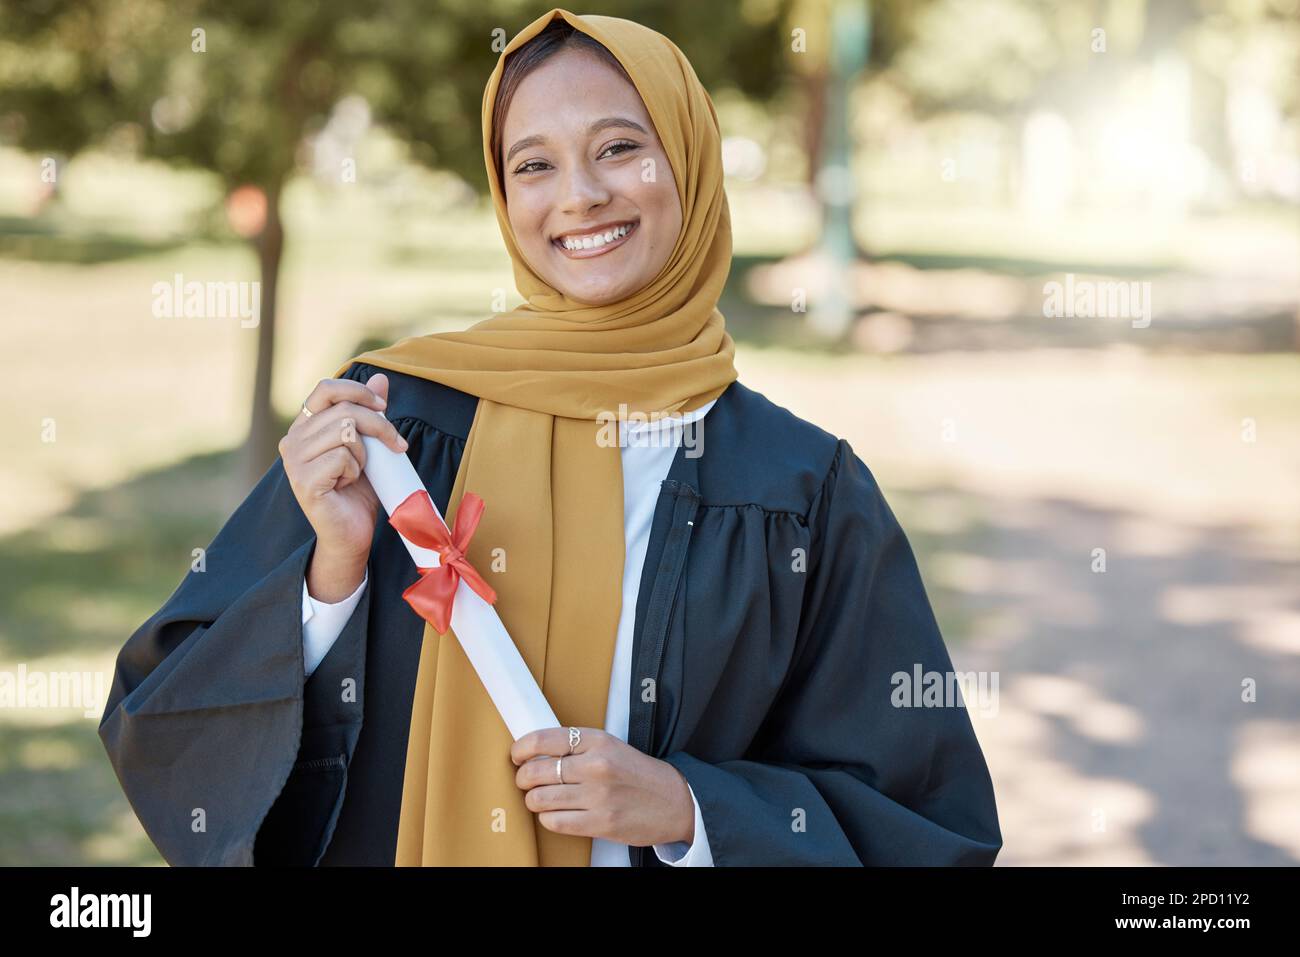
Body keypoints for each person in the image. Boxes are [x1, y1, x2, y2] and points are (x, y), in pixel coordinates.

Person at [99, 8, 1002, 867]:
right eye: (533, 164)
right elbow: (166, 719)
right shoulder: (397, 425)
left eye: (619, 147)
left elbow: (926, 823)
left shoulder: (801, 490)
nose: (580, 196)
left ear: (687, 159)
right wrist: (329, 575)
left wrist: (690, 809)